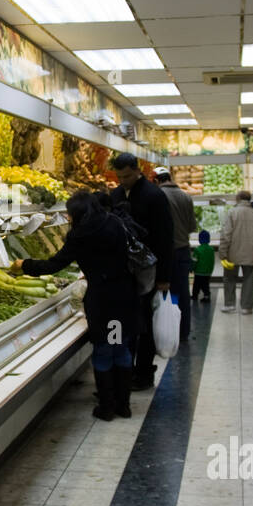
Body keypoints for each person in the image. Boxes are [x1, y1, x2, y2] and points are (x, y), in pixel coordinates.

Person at [13, 191, 137, 420]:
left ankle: (107, 407)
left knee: (103, 350)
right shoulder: (114, 223)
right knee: (119, 346)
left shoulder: (80, 235)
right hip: (122, 294)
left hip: (102, 299)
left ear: (77, 213)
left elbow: (54, 264)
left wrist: (25, 265)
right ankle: (124, 405)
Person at [110, 153, 173, 390]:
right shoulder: (115, 194)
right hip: (124, 274)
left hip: (148, 272)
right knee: (126, 325)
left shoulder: (154, 196)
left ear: (138, 170)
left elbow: (166, 237)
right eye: (119, 176)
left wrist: (164, 277)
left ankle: (145, 372)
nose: (123, 180)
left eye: (127, 176)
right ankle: (125, 373)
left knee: (145, 325)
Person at [156, 168, 195, 342]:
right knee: (183, 294)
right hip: (183, 249)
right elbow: (192, 226)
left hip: (165, 252)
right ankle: (183, 331)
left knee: (164, 294)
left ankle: (165, 333)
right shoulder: (186, 196)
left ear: (157, 181)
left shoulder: (158, 196)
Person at [218, 190, 253, 315]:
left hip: (232, 252)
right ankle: (246, 307)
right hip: (251, 252)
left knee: (229, 278)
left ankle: (229, 304)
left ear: (238, 199)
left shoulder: (232, 213)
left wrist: (223, 252)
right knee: (249, 279)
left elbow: (226, 234)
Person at [192, 230, 215, 302]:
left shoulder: (197, 250)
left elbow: (194, 261)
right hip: (208, 272)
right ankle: (207, 296)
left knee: (196, 285)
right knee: (206, 285)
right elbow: (212, 261)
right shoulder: (211, 249)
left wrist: (192, 268)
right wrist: (211, 270)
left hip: (199, 272)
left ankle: (195, 295)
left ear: (199, 239)